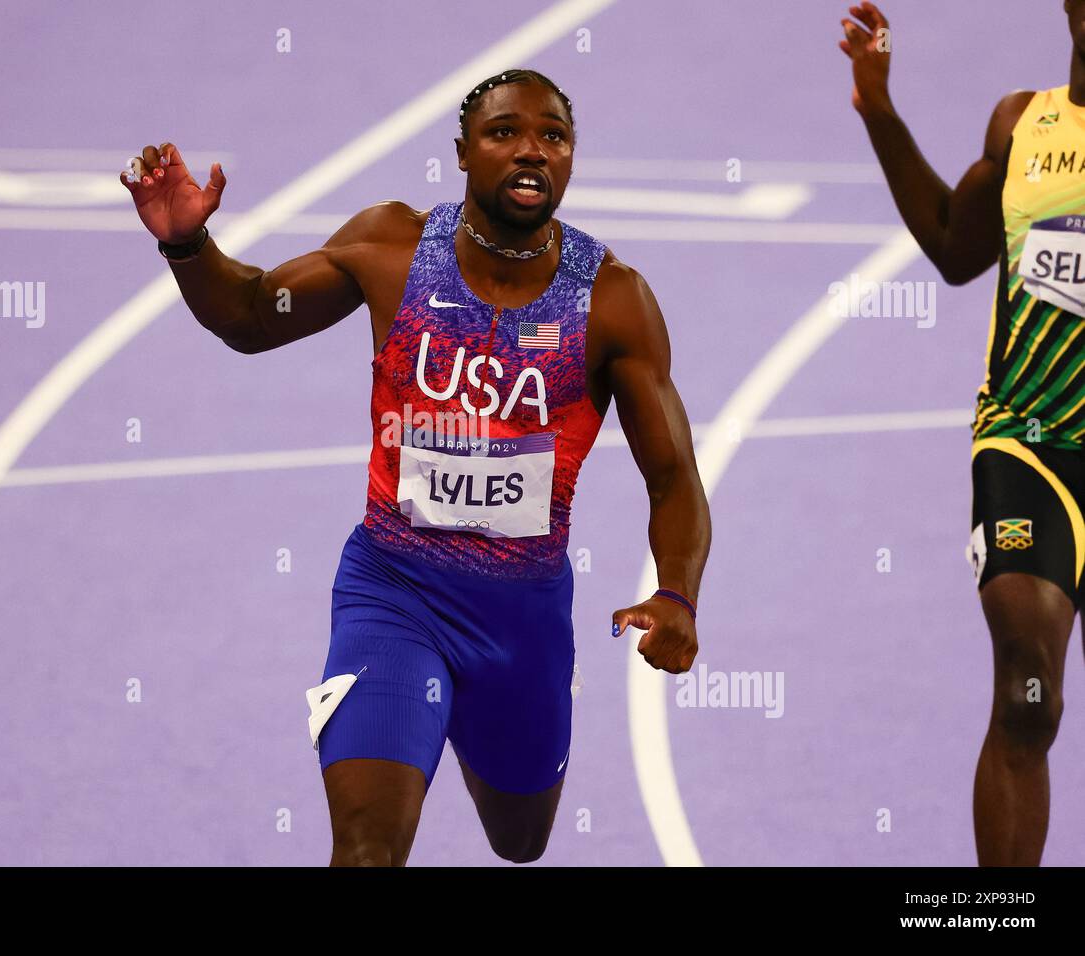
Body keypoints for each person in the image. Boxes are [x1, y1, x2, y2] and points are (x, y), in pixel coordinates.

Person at [121, 68, 710, 866]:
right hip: (393, 593)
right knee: (367, 850)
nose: (531, 150)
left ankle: (462, 717)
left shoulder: (612, 300)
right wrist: (188, 244)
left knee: (521, 840)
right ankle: (414, 707)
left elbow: (672, 477)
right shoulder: (392, 247)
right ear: (463, 154)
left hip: (521, 622)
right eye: (505, 133)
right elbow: (254, 316)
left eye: (554, 136)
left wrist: (678, 591)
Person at [842, 1, 1085, 865]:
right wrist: (879, 110)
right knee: (1028, 695)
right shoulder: (1024, 123)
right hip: (1030, 445)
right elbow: (953, 246)